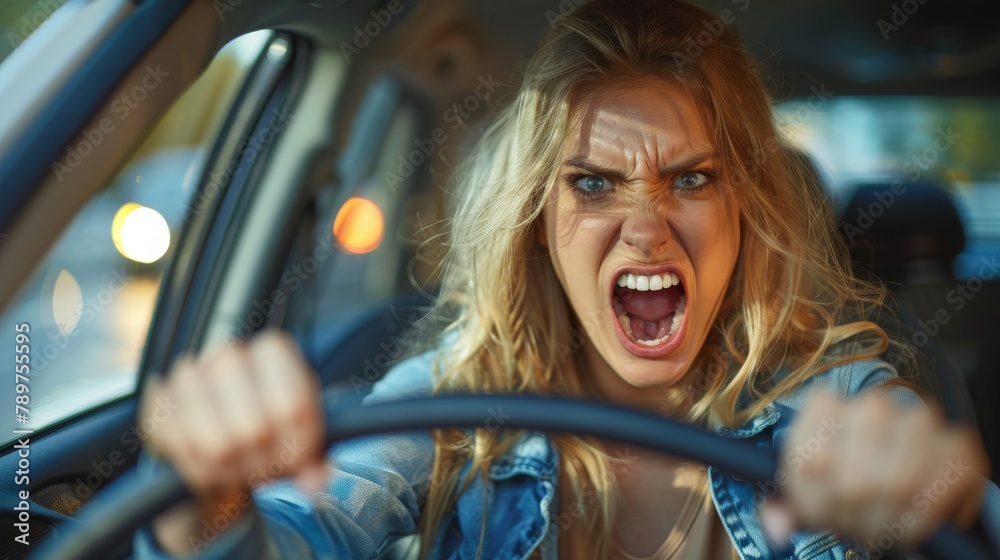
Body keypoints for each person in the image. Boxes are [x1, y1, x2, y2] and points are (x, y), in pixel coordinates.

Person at [135, 0, 997, 558]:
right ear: (540, 224)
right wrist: (203, 502)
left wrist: (938, 513)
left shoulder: (836, 397)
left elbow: (929, 495)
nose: (647, 227)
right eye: (593, 183)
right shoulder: (455, 404)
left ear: (746, 209)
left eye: (690, 180)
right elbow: (296, 535)